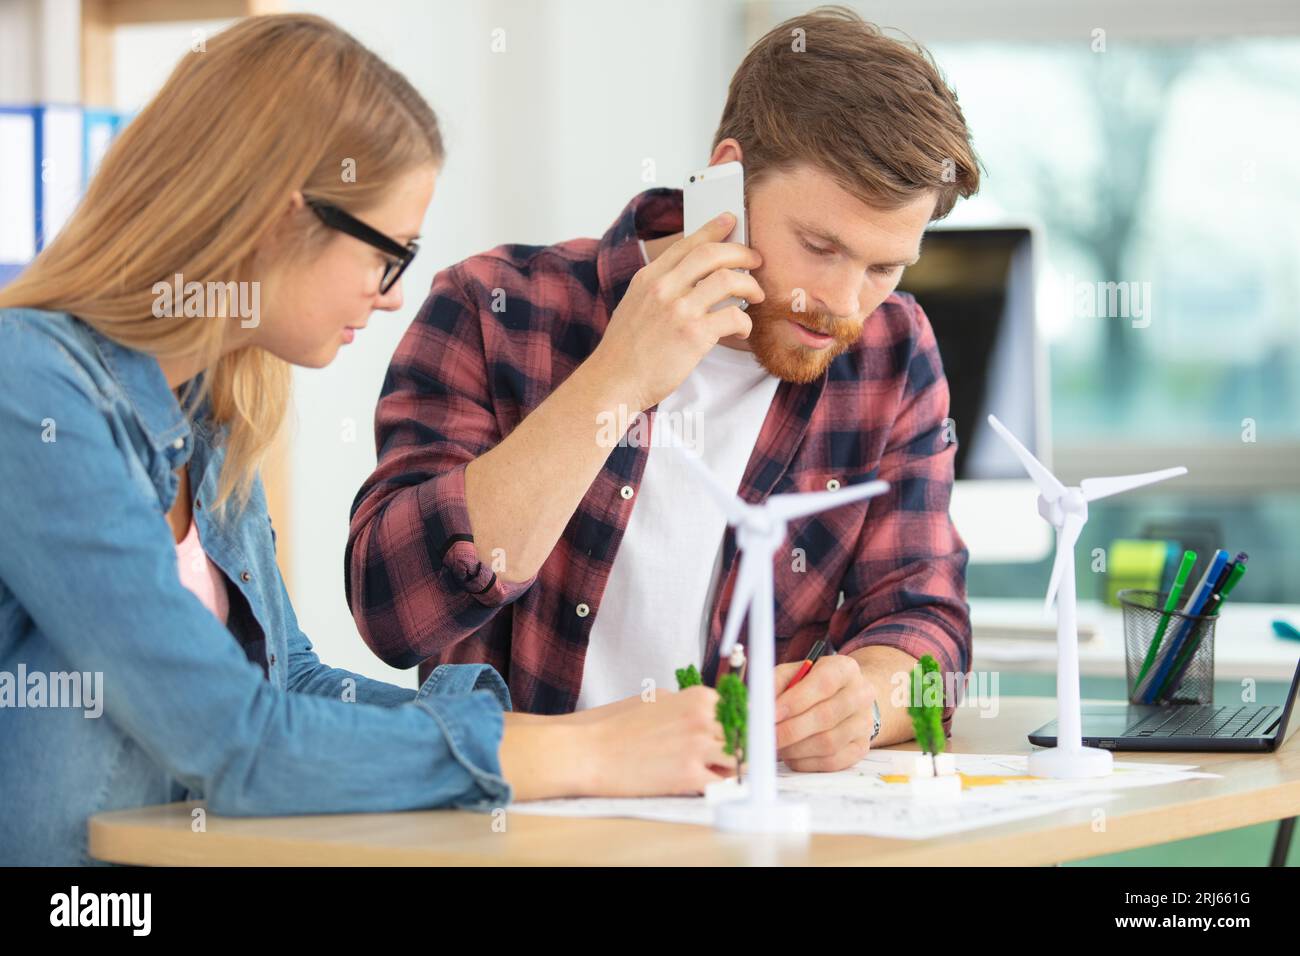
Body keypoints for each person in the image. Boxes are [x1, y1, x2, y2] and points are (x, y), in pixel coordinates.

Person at [0, 14, 732, 867]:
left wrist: (555, 738)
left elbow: (290, 689)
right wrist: (576, 756)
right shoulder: (30, 386)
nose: (391, 298)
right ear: (279, 218)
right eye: (390, 253)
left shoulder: (208, 415)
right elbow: (236, 741)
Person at [348, 7, 980, 773]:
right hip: (529, 833)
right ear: (727, 179)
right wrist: (619, 376)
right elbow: (392, 611)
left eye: (885, 267)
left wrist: (869, 702)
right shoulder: (491, 308)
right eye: (820, 247)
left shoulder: (893, 349)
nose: (846, 304)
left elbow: (927, 625)